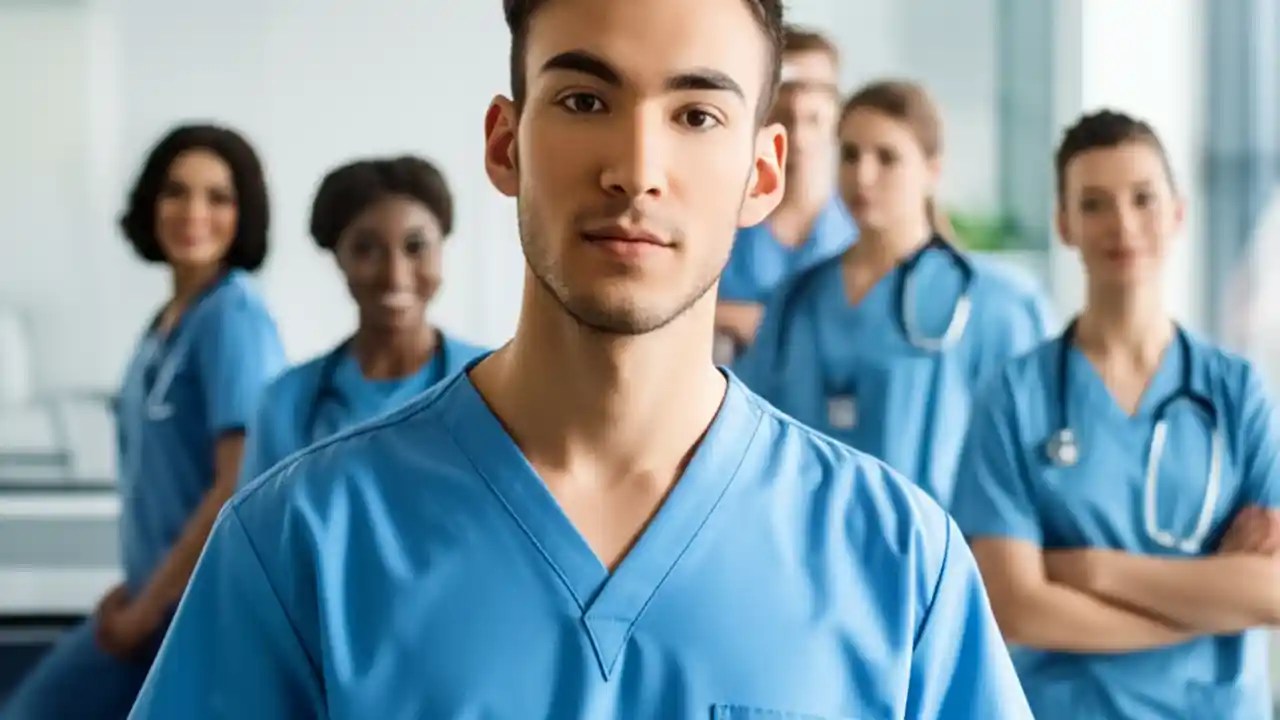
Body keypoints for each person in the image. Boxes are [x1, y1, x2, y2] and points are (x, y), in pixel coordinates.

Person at [128, 1, 1031, 718]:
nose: (637, 167)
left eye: (696, 113)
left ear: (764, 173)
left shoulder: (899, 565)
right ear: (505, 143)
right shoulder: (302, 548)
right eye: (586, 101)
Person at [952, 110, 1280, 719]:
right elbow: (1016, 604)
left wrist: (1093, 569)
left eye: (1142, 199)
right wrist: (1206, 605)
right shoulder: (1016, 395)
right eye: (1095, 203)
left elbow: (1273, 590)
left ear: (1178, 212)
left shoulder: (1236, 391)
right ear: (1064, 223)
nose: (1123, 224)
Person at [1, 124, 285, 719]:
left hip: (196, 611)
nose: (193, 212)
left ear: (245, 214)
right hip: (156, 599)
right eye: (175, 192)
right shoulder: (170, 320)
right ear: (151, 203)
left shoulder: (232, 319)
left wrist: (145, 608)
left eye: (218, 197)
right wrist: (135, 591)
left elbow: (236, 485)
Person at [736, 80, 1053, 508]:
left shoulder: (995, 304)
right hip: (806, 547)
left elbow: (1027, 463)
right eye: (850, 155)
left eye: (887, 158)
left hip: (935, 553)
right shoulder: (796, 300)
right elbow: (756, 439)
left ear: (932, 170)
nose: (863, 175)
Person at [237, 156, 486, 485]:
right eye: (367, 249)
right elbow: (263, 531)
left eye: (415, 247)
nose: (395, 276)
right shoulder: (287, 402)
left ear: (442, 247)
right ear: (337, 257)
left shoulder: (494, 386)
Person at [713, 25, 856, 362]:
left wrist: (761, 321)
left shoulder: (858, 226)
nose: (800, 103)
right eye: (787, 88)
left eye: (817, 90)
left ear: (838, 109)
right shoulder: (726, 217)